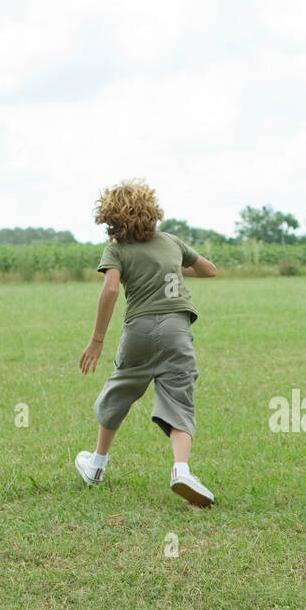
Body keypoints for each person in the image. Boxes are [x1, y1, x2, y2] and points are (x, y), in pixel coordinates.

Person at [75, 179, 218, 507]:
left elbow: (110, 290)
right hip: (177, 330)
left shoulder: (117, 249)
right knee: (179, 398)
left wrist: (97, 340)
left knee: (120, 390)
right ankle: (181, 470)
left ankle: (96, 465)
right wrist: (172, 271)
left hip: (138, 330)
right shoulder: (171, 242)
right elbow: (209, 270)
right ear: (151, 211)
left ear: (112, 218)